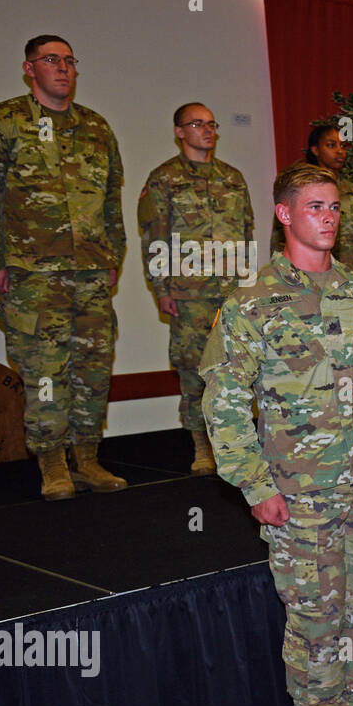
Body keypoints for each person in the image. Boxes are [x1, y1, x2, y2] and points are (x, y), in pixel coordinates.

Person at [200, 163, 353, 706]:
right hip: (299, 495)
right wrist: (254, 484)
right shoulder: (251, 305)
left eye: (335, 207)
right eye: (315, 206)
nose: (329, 216)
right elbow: (223, 400)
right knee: (317, 619)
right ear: (285, 214)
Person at [0, 35, 127, 499]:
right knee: (45, 371)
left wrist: (113, 257)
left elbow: (112, 199)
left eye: (70, 61)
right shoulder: (7, 121)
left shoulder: (95, 127)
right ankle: (53, 465)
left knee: (94, 368)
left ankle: (88, 460)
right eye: (51, 60)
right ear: (29, 69)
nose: (63, 68)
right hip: (32, 276)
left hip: (91, 273)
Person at [138, 102, 254, 475]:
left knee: (237, 368)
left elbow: (247, 231)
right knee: (193, 371)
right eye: (197, 124)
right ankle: (201, 446)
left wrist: (248, 286)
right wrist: (161, 289)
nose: (207, 130)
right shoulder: (164, 179)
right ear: (179, 131)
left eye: (211, 124)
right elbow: (154, 238)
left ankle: (236, 443)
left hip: (231, 294)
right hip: (189, 296)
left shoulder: (233, 178)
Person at [272, 124, 353, 279]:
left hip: (346, 275)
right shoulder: (299, 188)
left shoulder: (352, 191)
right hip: (303, 275)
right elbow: (279, 239)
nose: (339, 151)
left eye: (342, 146)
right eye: (331, 145)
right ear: (315, 150)